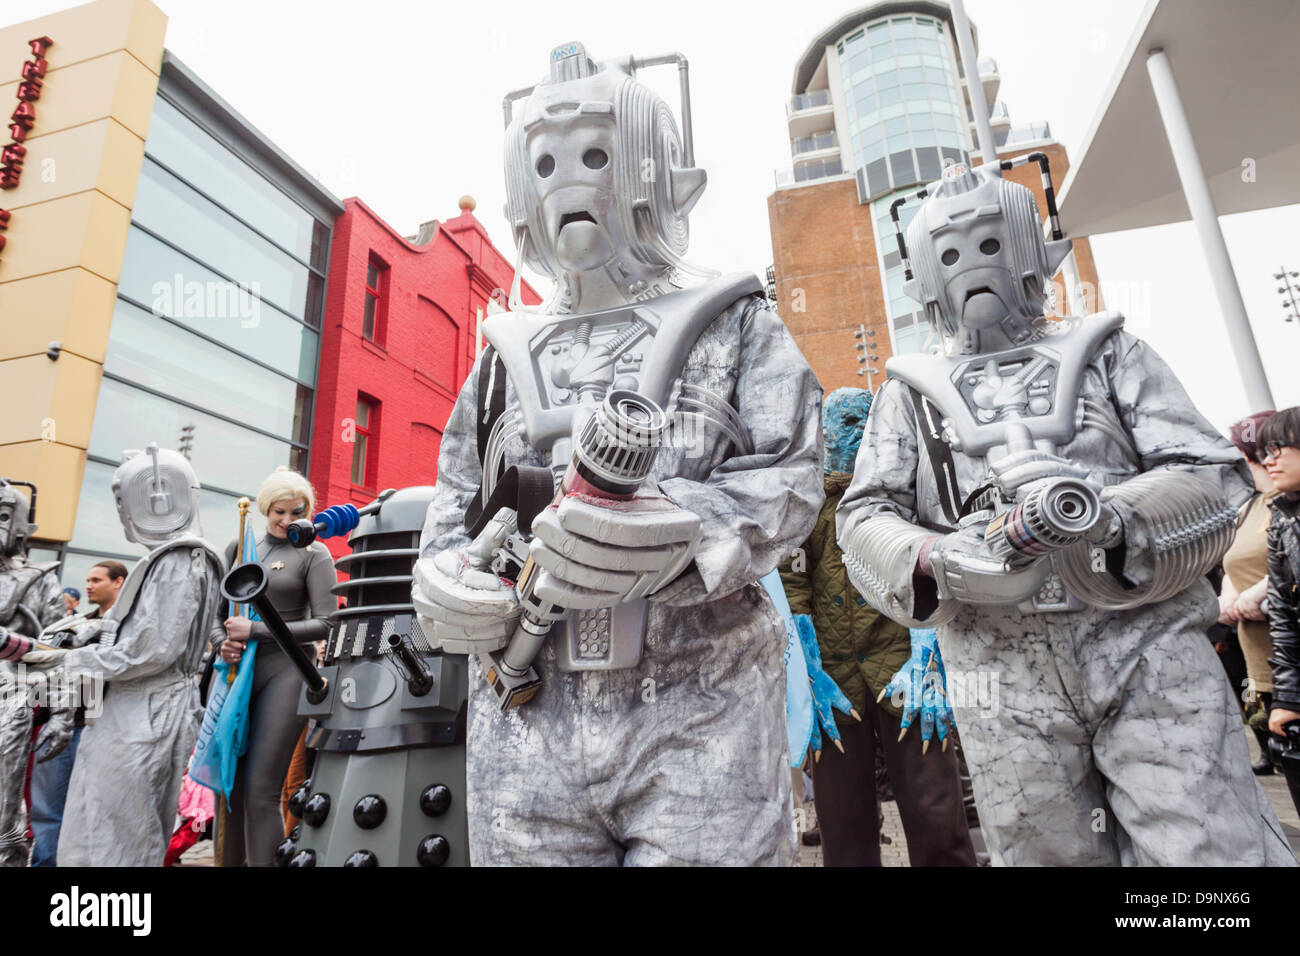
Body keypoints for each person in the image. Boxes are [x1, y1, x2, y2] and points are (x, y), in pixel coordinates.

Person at [414, 42, 822, 866]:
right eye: (550, 160)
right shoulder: (502, 352)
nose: (572, 179)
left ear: (650, 169)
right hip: (524, 715)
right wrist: (447, 581)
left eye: (596, 154)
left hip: (701, 710)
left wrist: (681, 528)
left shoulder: (732, 319)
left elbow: (793, 474)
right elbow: (452, 505)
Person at [836, 161, 1293, 866]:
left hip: (1145, 648)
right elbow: (865, 517)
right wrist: (939, 559)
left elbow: (1212, 476)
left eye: (989, 245)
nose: (971, 270)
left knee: (1206, 850)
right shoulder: (909, 395)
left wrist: (1110, 518)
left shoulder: (1109, 354)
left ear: (1030, 253)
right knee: (1043, 855)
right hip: (998, 667)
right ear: (924, 274)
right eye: (951, 255)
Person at [780, 387, 975, 866]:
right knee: (842, 828)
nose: (847, 437)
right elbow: (791, 584)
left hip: (905, 674)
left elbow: (935, 561)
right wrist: (808, 674)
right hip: (835, 684)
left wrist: (928, 650)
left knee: (936, 812)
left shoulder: (904, 493)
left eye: (859, 424)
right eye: (836, 426)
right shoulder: (806, 505)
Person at [31, 444, 225, 866]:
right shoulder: (165, 560)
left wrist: (64, 662)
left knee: (120, 836)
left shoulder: (181, 558)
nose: (122, 512)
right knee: (99, 824)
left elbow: (150, 650)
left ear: (157, 497)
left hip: (146, 713)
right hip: (131, 709)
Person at [214, 467, 335, 867]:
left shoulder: (314, 554)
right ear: (265, 510)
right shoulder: (241, 547)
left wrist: (256, 629)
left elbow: (327, 623)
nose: (286, 521)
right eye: (278, 512)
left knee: (261, 790)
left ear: (307, 511)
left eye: (295, 512)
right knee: (229, 789)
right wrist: (223, 643)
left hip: (288, 671)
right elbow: (216, 618)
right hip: (240, 674)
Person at [28, 560, 126, 866]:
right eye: (87, 579)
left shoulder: (125, 630)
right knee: (48, 811)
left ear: (119, 583)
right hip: (62, 722)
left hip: (100, 727)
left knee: (89, 812)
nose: (89, 585)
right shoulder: (75, 625)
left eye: (97, 579)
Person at [0, 478, 65, 867]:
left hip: (10, 699)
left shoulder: (41, 582)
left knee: (4, 809)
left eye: (4, 516)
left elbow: (61, 653)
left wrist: (65, 714)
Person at [1218, 411, 1278, 771]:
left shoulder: (1287, 503)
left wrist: (1260, 593)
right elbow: (1231, 562)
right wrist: (1229, 598)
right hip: (1263, 656)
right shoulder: (1249, 506)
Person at [1262, 409, 1300, 745]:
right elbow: (1283, 614)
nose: (1268, 461)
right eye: (1264, 452)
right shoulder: (1281, 519)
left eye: (1278, 450)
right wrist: (1288, 697)